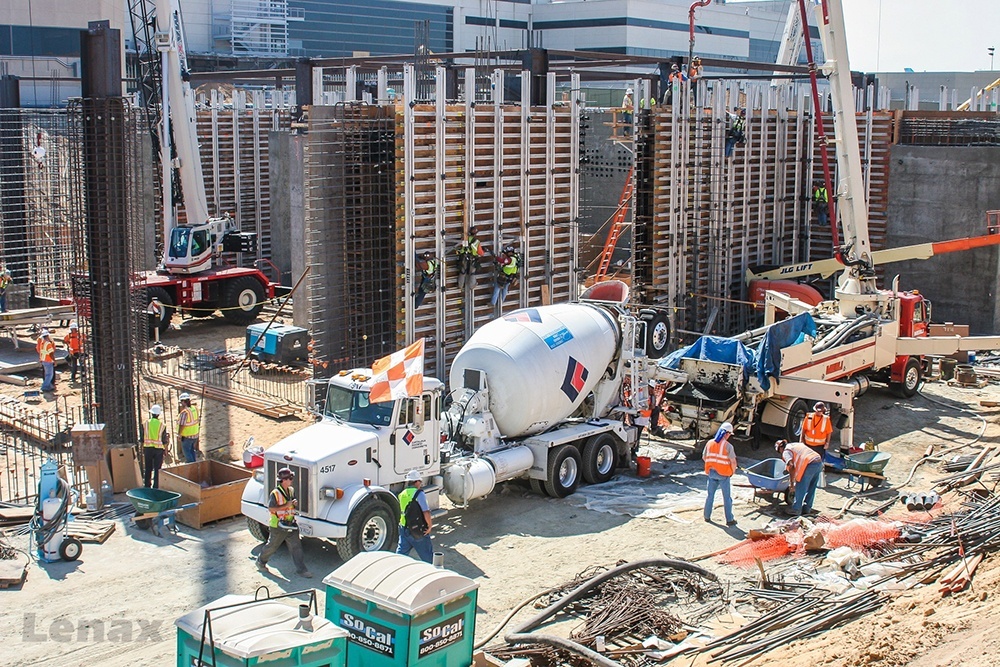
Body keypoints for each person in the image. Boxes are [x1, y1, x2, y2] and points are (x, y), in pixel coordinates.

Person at [256, 467, 312, 578]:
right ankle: (261, 561)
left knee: (296, 547)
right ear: (284, 480)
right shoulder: (275, 493)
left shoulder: (291, 490)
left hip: (290, 523)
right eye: (290, 478)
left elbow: (290, 503)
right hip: (278, 525)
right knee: (272, 546)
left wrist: (293, 503)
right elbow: (271, 509)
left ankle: (302, 570)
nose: (292, 480)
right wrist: (286, 506)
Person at [775, 439, 823, 517]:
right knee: (812, 486)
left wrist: (791, 483)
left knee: (800, 486)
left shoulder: (786, 451)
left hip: (809, 464)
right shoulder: (794, 445)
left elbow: (791, 465)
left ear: (780, 448)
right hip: (818, 461)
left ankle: (796, 509)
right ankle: (807, 508)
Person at [703, 422, 738, 526]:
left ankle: (707, 516)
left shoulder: (709, 443)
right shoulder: (728, 446)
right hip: (724, 475)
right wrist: (732, 471)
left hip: (712, 473)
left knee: (710, 496)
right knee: (727, 498)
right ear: (726, 434)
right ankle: (729, 519)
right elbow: (733, 462)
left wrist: (713, 464)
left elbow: (704, 457)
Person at [396, 469, 434, 563]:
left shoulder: (402, 494)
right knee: (428, 557)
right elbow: (426, 512)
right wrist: (429, 526)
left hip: (404, 529)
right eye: (420, 481)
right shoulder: (419, 494)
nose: (420, 483)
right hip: (417, 530)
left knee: (400, 555)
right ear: (416, 482)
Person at [142, 404, 170, 489]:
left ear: (151, 413)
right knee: (158, 469)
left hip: (147, 448)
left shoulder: (145, 424)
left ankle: (147, 486)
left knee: (148, 468)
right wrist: (165, 450)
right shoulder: (162, 425)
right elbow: (164, 440)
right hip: (158, 449)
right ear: (158, 414)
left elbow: (142, 437)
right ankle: (156, 486)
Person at [177, 392, 201, 463]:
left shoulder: (185, 412)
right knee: (191, 450)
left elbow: (182, 425)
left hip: (187, 436)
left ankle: (191, 465)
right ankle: (194, 464)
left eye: (181, 402)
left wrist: (179, 434)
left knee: (187, 452)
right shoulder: (195, 409)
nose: (181, 404)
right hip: (195, 435)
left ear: (184, 402)